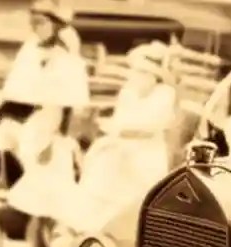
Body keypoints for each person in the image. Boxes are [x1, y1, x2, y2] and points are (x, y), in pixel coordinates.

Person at [0, 0, 90, 247]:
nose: (37, 28)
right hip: (29, 124)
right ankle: (4, 222)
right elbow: (15, 93)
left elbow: (69, 100)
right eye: (34, 23)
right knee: (38, 183)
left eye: (42, 23)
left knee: (52, 185)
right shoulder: (30, 52)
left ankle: (45, 229)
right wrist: (10, 125)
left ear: (56, 25)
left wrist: (56, 135)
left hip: (52, 128)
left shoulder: (66, 59)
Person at [62, 41, 178, 236]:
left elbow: (151, 126)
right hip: (121, 145)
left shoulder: (164, 94)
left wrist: (121, 131)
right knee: (100, 165)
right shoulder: (128, 93)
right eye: (137, 72)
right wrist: (113, 132)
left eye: (144, 73)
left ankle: (133, 229)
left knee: (135, 185)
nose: (139, 77)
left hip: (146, 150)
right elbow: (119, 121)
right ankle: (93, 228)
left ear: (155, 77)